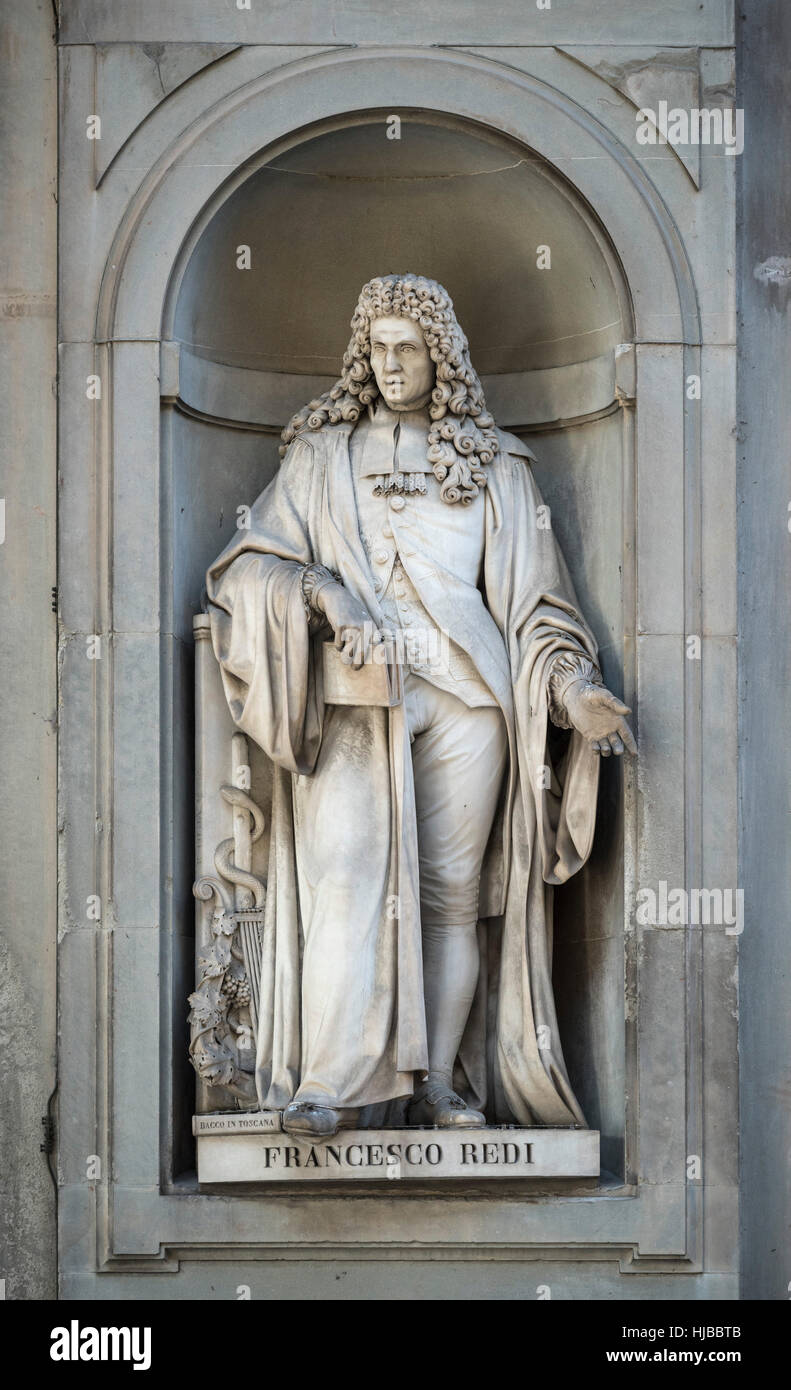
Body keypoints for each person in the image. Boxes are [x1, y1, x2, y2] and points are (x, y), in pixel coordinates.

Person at [207, 274, 635, 1139]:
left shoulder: (498, 466)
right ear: (361, 358)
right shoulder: (320, 457)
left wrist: (572, 692)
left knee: (444, 900)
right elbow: (243, 571)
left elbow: (537, 608)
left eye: (408, 348)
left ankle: (441, 1085)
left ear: (441, 357)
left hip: (471, 701)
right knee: (345, 877)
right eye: (379, 349)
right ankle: (326, 1085)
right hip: (359, 703)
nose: (392, 364)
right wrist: (323, 590)